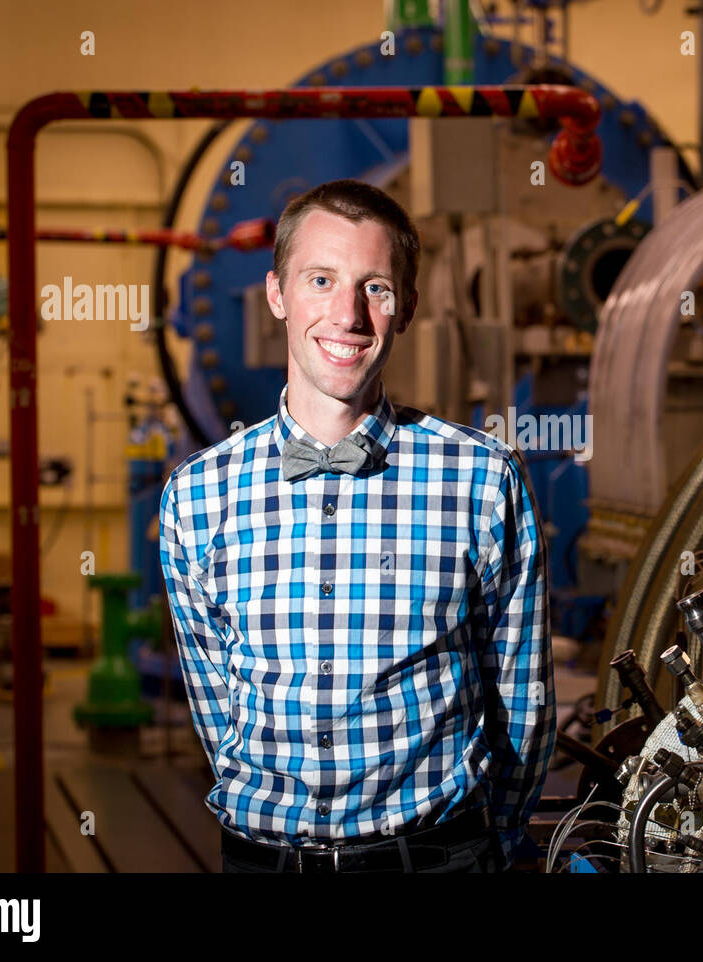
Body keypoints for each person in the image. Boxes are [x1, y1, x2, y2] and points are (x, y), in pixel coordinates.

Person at [158, 179, 554, 873]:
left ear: (406, 312)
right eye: (320, 280)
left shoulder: (483, 479)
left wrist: (491, 843)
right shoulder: (197, 495)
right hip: (261, 861)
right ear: (277, 295)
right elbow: (216, 709)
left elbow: (520, 699)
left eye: (376, 288)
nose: (347, 315)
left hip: (434, 858)